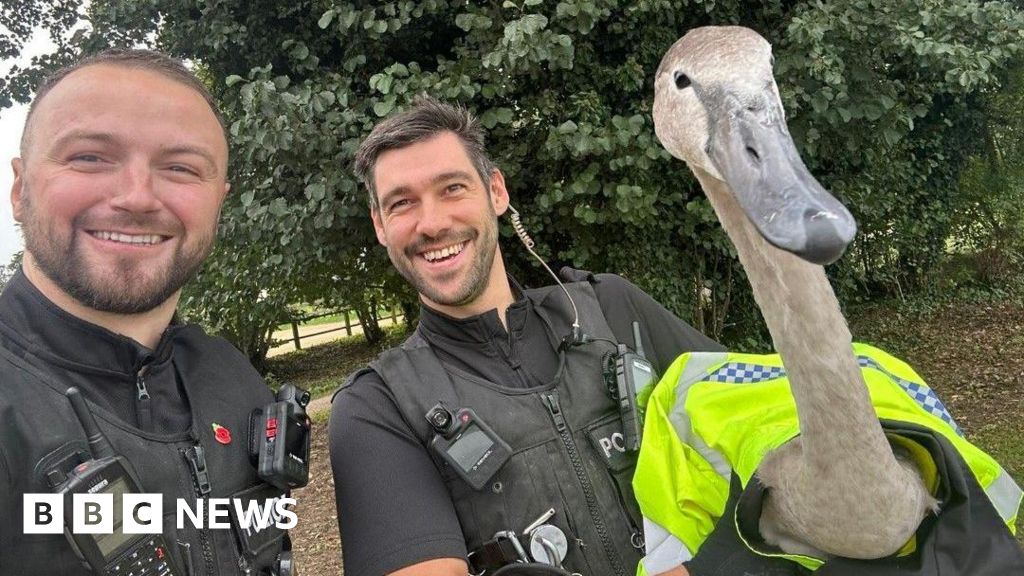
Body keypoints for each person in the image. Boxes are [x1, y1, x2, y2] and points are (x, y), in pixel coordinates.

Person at [328, 95, 726, 576]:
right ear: (380, 226)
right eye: (401, 203)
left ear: (496, 192)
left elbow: (766, 432)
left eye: (452, 188)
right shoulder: (378, 405)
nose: (431, 223)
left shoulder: (613, 308)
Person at [0, 50, 292, 575]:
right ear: (20, 188)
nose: (137, 197)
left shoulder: (233, 378)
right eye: (89, 157)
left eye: (180, 167)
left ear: (219, 200)